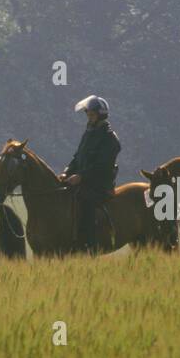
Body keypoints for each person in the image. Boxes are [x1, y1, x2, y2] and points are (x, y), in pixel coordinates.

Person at [58, 95, 121, 254]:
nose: (89, 117)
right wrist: (67, 173)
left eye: (91, 115)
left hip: (98, 185)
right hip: (82, 181)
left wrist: (81, 177)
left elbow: (102, 166)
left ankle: (89, 245)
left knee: (86, 205)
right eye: (88, 115)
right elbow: (77, 157)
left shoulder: (110, 139)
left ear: (100, 115)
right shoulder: (88, 133)